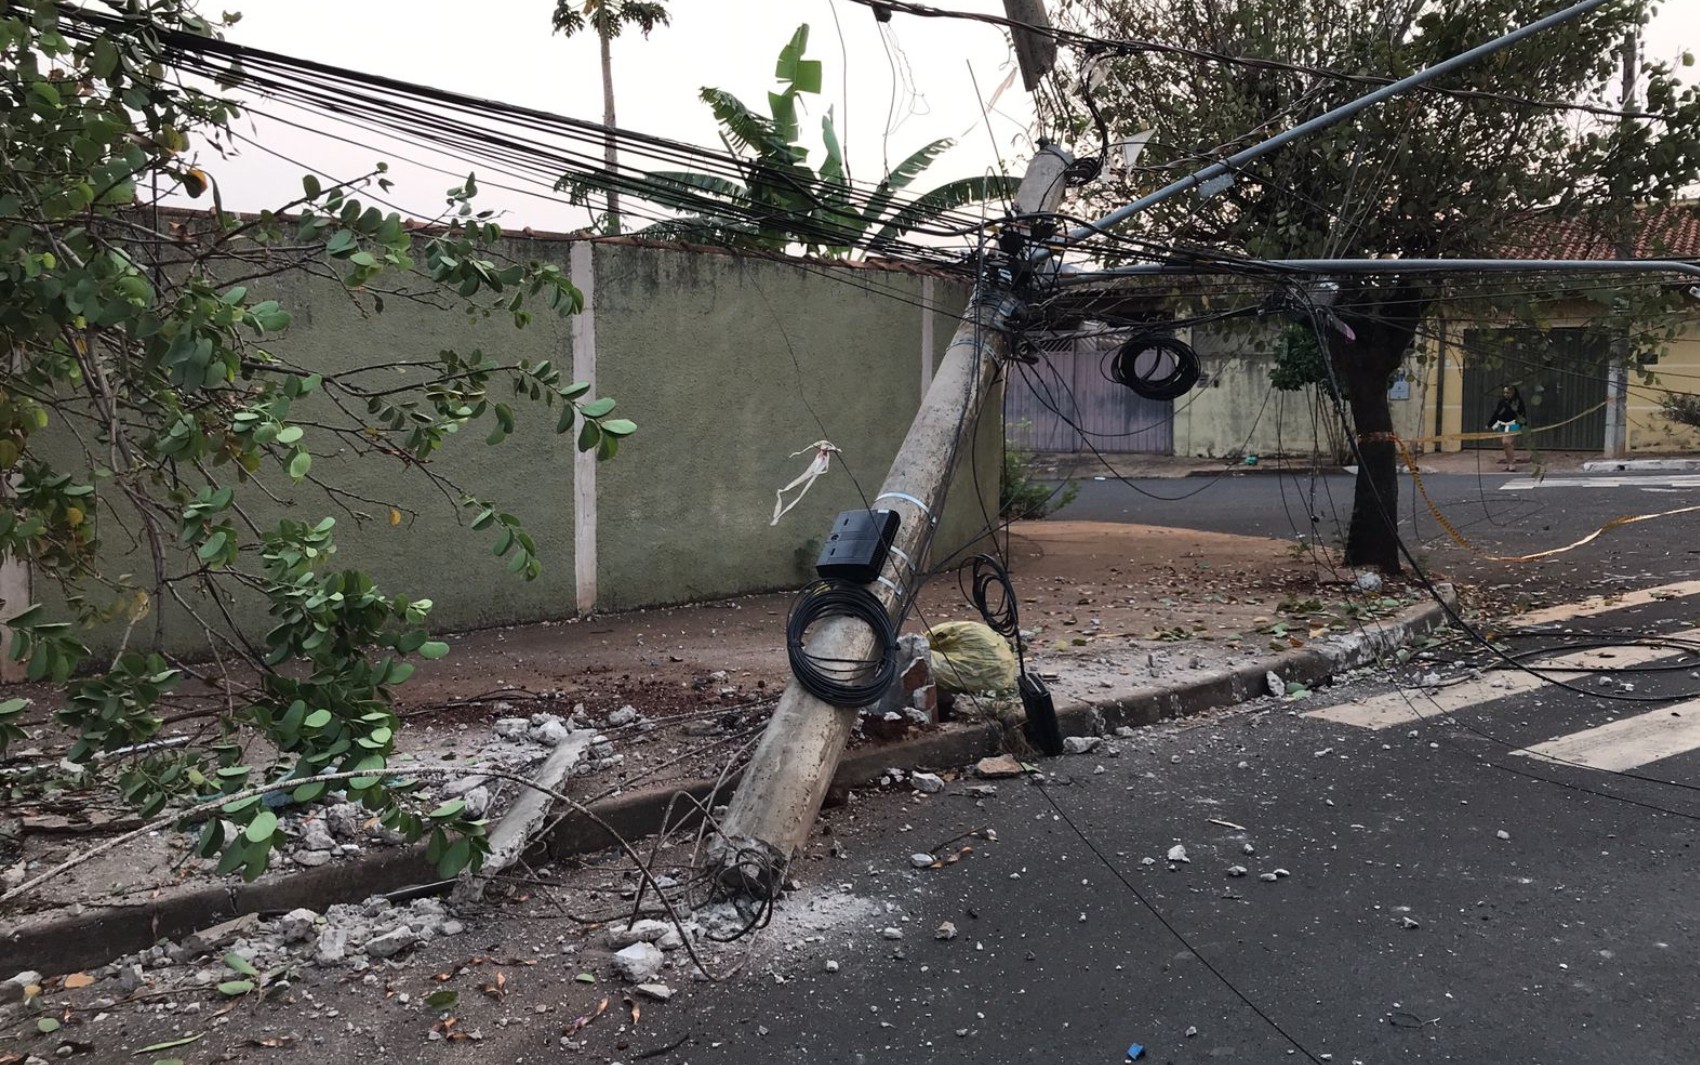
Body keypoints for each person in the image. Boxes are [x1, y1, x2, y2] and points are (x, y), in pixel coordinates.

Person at [1488, 385, 1527, 471]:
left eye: (1508, 393)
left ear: (1513, 392)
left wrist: (1522, 425)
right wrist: (1490, 424)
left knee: (1506, 442)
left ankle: (1511, 464)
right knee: (1507, 445)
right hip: (1502, 424)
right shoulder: (1502, 401)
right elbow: (1497, 413)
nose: (1505, 394)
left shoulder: (1518, 401)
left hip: (1513, 424)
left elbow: (1522, 414)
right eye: (1504, 392)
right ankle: (1510, 462)